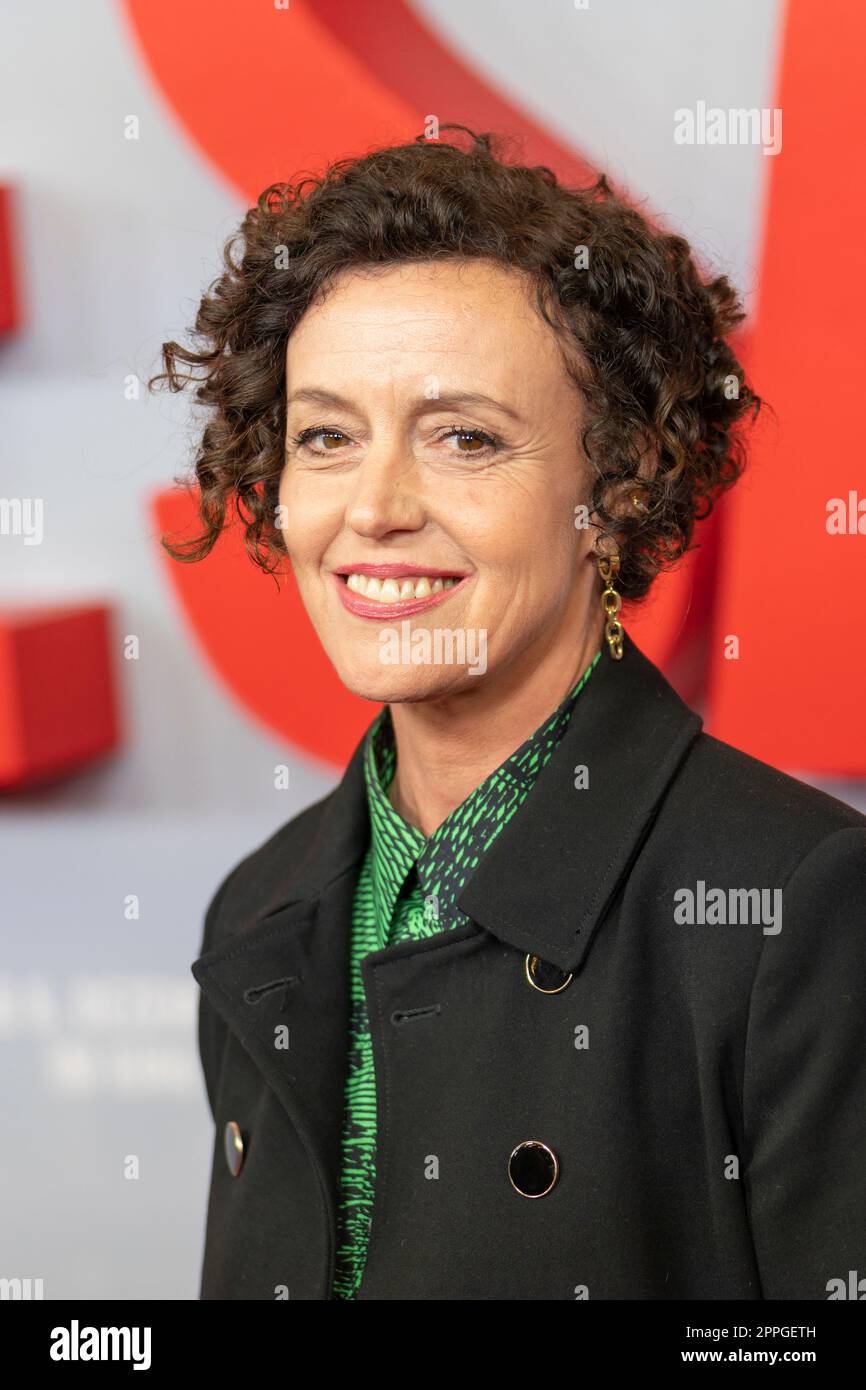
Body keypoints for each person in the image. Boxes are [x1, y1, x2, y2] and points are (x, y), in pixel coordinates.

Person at [152, 127, 866, 1300]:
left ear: (618, 478)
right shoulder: (261, 905)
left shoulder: (802, 909)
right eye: (326, 436)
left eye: (464, 438)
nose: (373, 508)